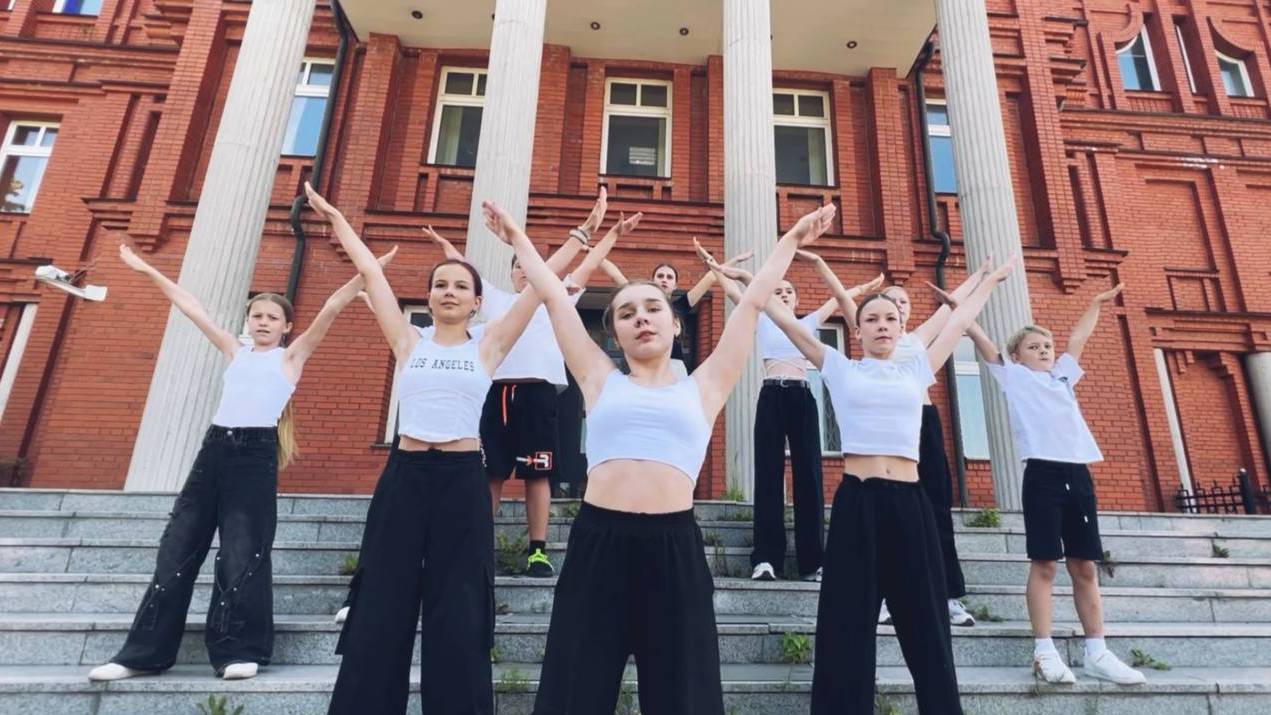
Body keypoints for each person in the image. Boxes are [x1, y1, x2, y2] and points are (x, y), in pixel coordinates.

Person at [507, 201, 836, 714]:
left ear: (677, 325)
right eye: (626, 313)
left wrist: (791, 239)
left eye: (653, 308)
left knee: (684, 696)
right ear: (614, 334)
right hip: (598, 545)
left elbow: (752, 303)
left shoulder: (704, 386)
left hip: (674, 548)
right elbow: (551, 294)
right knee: (575, 691)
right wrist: (517, 236)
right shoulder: (598, 377)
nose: (641, 318)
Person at [87, 241, 393, 682]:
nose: (263, 322)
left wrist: (368, 269)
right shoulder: (234, 350)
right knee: (177, 548)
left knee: (241, 553)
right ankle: (142, 653)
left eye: (272, 317)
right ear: (247, 321)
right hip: (213, 451)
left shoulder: (291, 358)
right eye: (256, 315)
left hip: (254, 456)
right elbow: (191, 307)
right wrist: (145, 269)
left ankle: (237, 651)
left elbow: (331, 306)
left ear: (287, 326)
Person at [305, 181, 554, 714]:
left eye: (460, 286)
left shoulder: (489, 345)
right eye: (440, 284)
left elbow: (539, 287)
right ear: (430, 296)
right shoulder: (407, 340)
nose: (448, 292)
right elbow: (370, 271)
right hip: (405, 476)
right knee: (381, 599)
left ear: (477, 301)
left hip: (462, 478)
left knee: (460, 605)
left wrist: (520, 236)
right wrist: (335, 217)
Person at [754, 252, 1015, 714]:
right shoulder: (840, 367)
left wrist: (990, 282)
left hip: (911, 504)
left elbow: (958, 320)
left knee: (927, 624)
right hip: (858, 503)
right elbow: (787, 323)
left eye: (890, 319)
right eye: (871, 319)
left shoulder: (917, 367)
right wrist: (757, 279)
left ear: (900, 327)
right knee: (845, 624)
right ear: (856, 331)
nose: (881, 325)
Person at [423, 189, 622, 578]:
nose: (522, 271)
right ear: (511, 273)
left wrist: (610, 234)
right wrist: (444, 245)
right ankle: (478, 548)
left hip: (537, 394)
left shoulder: (556, 297)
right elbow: (462, 267)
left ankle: (537, 551)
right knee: (491, 473)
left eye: (527, 265)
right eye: (516, 266)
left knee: (538, 473)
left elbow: (587, 264)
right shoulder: (495, 299)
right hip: (496, 394)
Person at [966, 284, 1146, 686]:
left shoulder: (1063, 376)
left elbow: (1078, 337)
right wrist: (963, 312)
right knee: (1045, 563)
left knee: (1085, 565)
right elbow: (983, 342)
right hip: (1042, 476)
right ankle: (1044, 651)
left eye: (1047, 345)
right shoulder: (1013, 377)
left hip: (1077, 475)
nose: (1044, 350)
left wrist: (1095, 303)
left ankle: (1097, 652)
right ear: (1017, 356)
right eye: (1034, 347)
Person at [696, 245, 879, 583]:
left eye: (788, 292)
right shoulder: (762, 317)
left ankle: (813, 561)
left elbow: (838, 300)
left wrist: (862, 289)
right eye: (777, 290)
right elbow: (734, 290)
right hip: (771, 396)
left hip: (802, 397)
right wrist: (716, 267)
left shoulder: (808, 322)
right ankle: (766, 558)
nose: (782, 294)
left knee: (809, 475)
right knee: (768, 474)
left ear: (796, 301)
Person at [600, 252, 748, 373]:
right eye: (660, 276)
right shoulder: (639, 300)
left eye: (669, 277)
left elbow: (710, 276)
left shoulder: (681, 305)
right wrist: (594, 253)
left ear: (675, 285)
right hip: (645, 365)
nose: (664, 280)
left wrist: (734, 261)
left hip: (674, 368)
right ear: (652, 281)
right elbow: (617, 276)